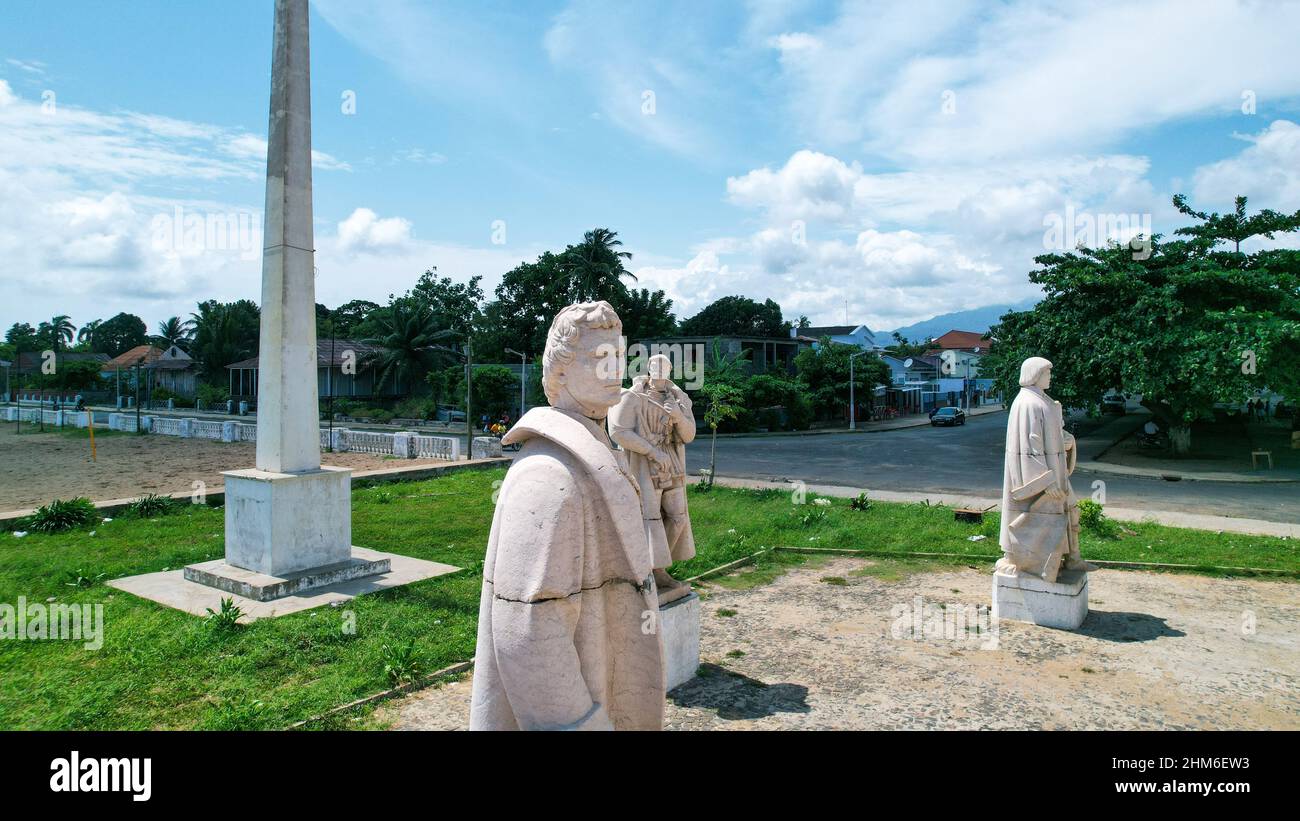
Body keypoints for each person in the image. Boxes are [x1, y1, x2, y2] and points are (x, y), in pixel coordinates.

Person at [469, 301, 663, 731]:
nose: (615, 369)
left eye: (619, 356)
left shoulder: (590, 455)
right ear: (559, 369)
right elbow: (529, 630)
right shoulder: (548, 477)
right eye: (599, 358)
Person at [608, 354, 696, 604]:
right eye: (655, 365)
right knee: (650, 519)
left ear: (669, 370)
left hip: (672, 463)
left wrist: (678, 416)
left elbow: (689, 435)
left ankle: (657, 567)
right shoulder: (632, 397)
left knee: (677, 518)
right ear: (648, 368)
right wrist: (651, 451)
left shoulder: (678, 398)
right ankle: (648, 573)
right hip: (647, 466)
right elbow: (618, 431)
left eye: (665, 366)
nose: (659, 369)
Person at [998, 357, 1095, 582]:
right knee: (1032, 519)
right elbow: (1027, 449)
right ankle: (1018, 559)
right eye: (1047, 373)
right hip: (1040, 479)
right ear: (1035, 374)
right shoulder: (1027, 403)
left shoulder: (1043, 400)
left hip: (1055, 472)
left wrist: (1066, 440)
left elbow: (1051, 436)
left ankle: (1073, 558)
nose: (1050, 377)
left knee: (1071, 509)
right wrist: (1044, 481)